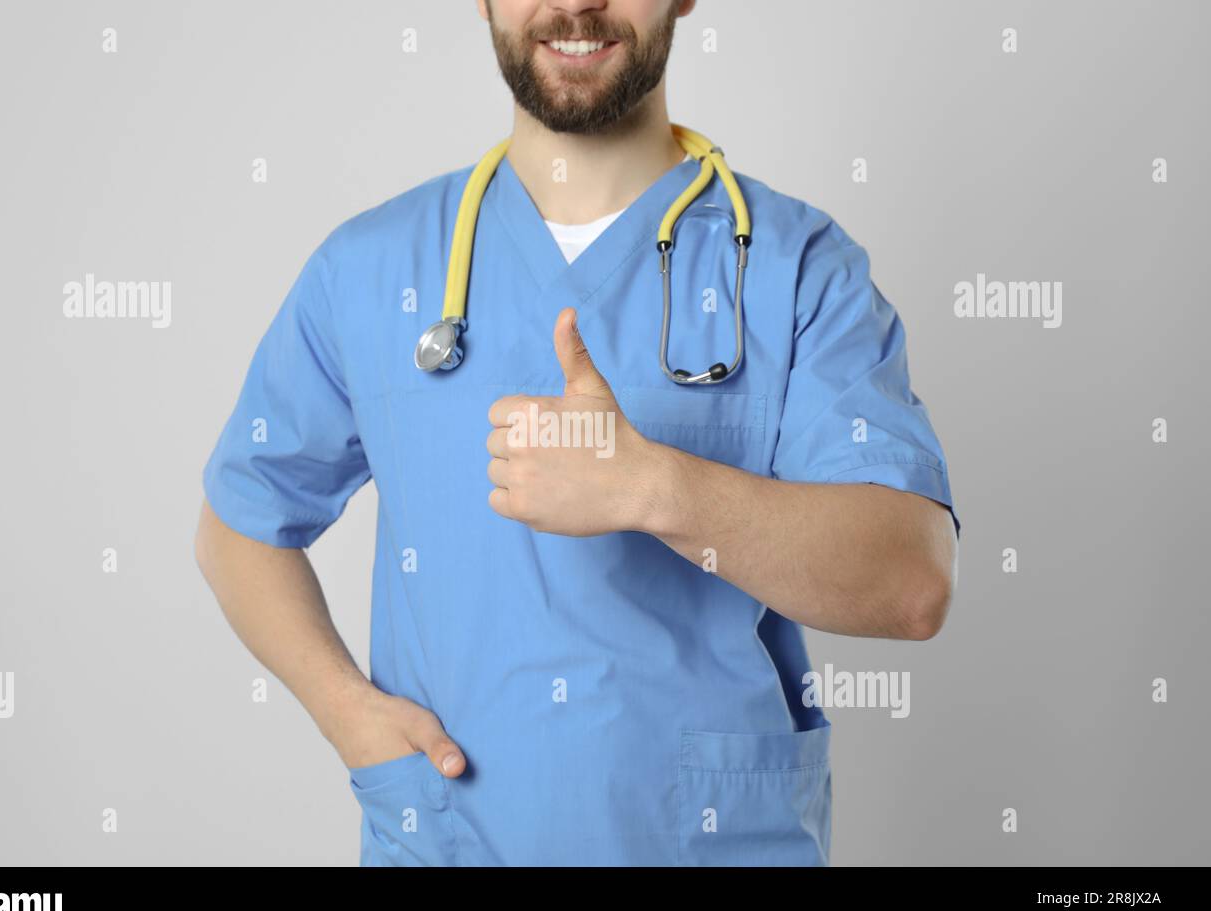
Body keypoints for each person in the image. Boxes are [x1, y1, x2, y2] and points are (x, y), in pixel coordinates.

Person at [194, 0, 960, 867]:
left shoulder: (792, 268)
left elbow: (912, 583)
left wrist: (653, 488)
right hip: (452, 842)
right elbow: (240, 524)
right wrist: (346, 712)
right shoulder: (371, 269)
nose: (573, 4)